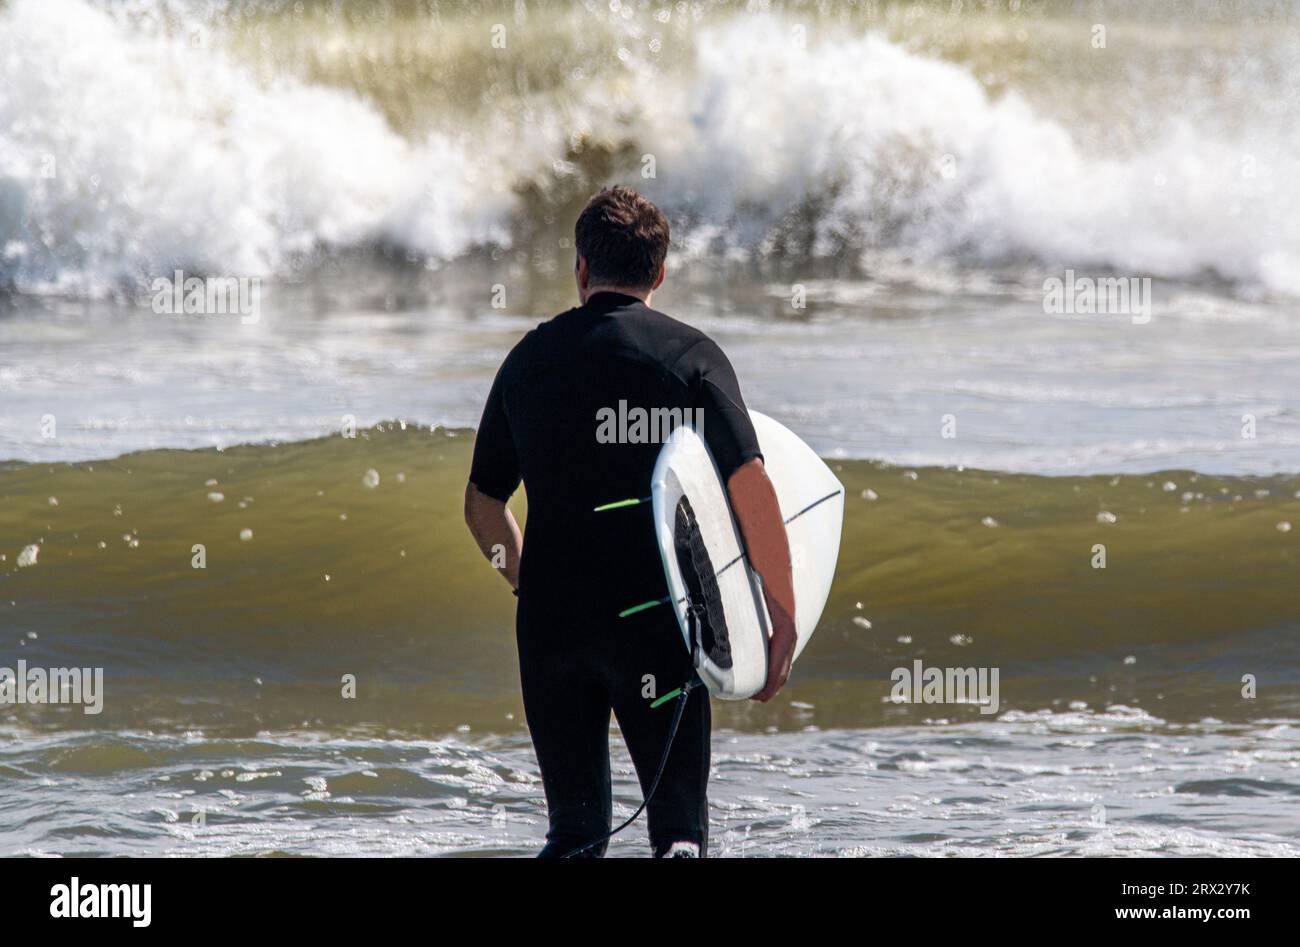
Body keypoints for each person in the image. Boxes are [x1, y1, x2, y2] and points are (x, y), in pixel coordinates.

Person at [464, 185, 796, 858]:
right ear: (661, 272)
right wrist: (780, 616)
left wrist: (530, 584)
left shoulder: (529, 359)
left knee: (575, 833)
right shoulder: (692, 357)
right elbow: (750, 485)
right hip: (657, 626)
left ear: (581, 269)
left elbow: (482, 506)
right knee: (677, 833)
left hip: (552, 628)